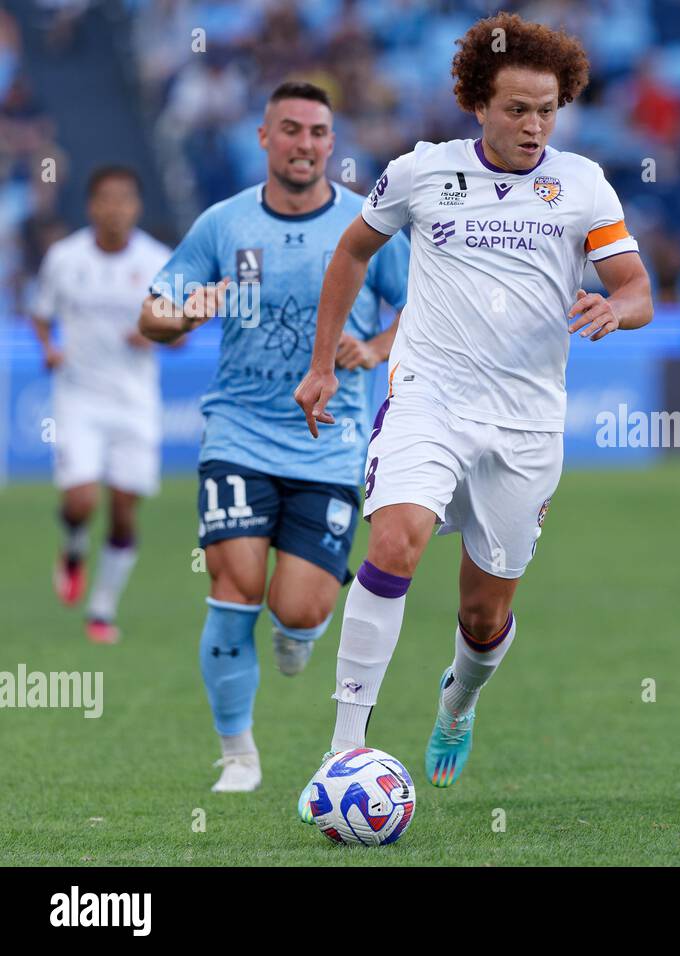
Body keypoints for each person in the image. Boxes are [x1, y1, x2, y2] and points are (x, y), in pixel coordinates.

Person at [292, 12, 653, 819]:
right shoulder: (422, 173)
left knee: (485, 614)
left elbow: (637, 288)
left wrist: (615, 308)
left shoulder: (582, 184)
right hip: (430, 397)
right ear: (478, 105)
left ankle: (458, 701)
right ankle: (345, 747)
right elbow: (351, 251)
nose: (534, 125)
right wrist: (323, 362)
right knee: (394, 540)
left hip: (524, 424)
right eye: (518, 109)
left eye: (548, 110)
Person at [139, 81, 410, 793]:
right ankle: (238, 756)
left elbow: (426, 309)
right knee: (235, 585)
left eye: (318, 132)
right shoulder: (223, 224)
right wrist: (185, 314)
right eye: (290, 129)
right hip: (239, 431)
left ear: (332, 143)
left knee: (301, 607)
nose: (305, 144)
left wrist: (378, 346)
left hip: (330, 439)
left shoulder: (366, 224)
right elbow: (152, 315)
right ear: (264, 138)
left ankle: (298, 632)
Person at [31, 166, 171, 644]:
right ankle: (72, 547)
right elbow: (40, 314)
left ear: (136, 206)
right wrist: (49, 347)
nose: (115, 209)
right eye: (106, 200)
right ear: (92, 205)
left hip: (134, 403)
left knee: (124, 510)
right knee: (81, 497)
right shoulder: (64, 258)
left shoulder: (158, 261)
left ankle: (102, 609)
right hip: (79, 398)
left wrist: (155, 333)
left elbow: (179, 333)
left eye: (124, 199)